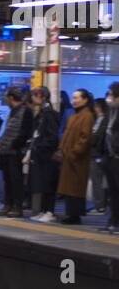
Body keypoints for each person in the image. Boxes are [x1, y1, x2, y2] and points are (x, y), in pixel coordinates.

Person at [56, 89, 95, 225]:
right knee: (69, 188)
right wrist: (62, 150)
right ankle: (71, 214)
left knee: (75, 188)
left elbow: (85, 138)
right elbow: (66, 135)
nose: (74, 100)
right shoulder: (74, 115)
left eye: (77, 98)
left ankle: (75, 215)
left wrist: (74, 152)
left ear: (85, 100)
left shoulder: (87, 116)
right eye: (73, 98)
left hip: (77, 159)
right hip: (69, 158)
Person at [0, 87, 33, 217]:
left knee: (16, 180)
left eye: (6, 97)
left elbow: (25, 132)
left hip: (16, 152)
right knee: (7, 180)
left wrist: (14, 145)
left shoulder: (26, 111)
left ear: (11, 98)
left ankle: (17, 206)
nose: (5, 100)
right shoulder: (13, 111)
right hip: (6, 151)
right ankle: (8, 204)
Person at [27, 87, 61, 222]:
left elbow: (52, 136)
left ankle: (49, 211)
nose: (33, 99)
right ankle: (43, 210)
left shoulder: (49, 114)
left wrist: (40, 146)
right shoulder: (42, 113)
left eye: (35, 96)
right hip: (41, 154)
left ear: (41, 96)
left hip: (47, 155)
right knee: (42, 183)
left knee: (48, 184)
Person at [98, 83, 119, 234]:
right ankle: (113, 221)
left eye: (111, 94)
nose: (109, 97)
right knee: (113, 192)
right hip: (110, 157)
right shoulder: (111, 112)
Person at [90, 98, 109, 215]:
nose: (95, 109)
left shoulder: (103, 120)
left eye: (96, 107)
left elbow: (97, 137)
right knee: (98, 181)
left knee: (97, 181)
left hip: (98, 154)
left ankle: (100, 206)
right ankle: (100, 205)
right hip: (96, 154)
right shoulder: (99, 119)